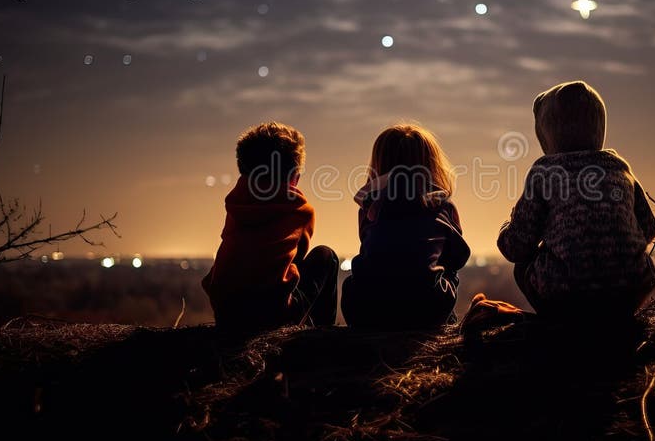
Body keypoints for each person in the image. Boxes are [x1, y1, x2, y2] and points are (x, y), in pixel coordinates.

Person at [497, 80, 655, 324]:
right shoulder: (619, 167)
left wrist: (507, 226)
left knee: (522, 266)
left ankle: (559, 325)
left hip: (568, 298)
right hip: (629, 292)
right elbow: (649, 228)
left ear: (546, 133)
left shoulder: (545, 170)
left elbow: (515, 246)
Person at [202, 122, 338, 336]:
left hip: (227, 313)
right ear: (295, 177)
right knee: (326, 256)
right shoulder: (299, 209)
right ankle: (323, 336)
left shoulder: (237, 202)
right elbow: (297, 257)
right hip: (271, 315)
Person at [341, 124, 471, 330]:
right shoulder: (440, 205)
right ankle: (449, 326)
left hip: (366, 310)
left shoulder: (370, 206)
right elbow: (460, 256)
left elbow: (368, 248)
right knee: (449, 271)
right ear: (431, 164)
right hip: (425, 311)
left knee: (354, 280)